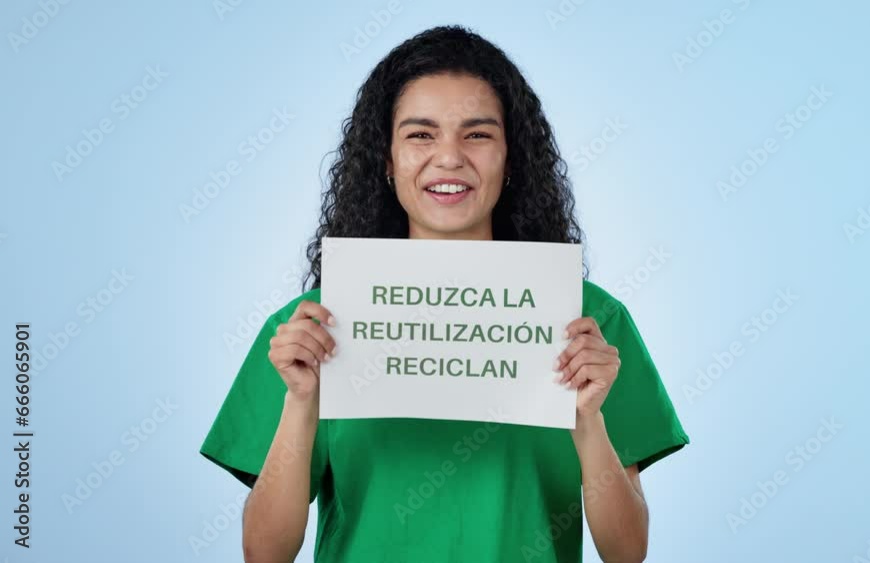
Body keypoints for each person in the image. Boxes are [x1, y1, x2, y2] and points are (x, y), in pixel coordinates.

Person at [200, 25, 689, 563]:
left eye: (477, 135)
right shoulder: (313, 327)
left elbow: (628, 552)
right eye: (420, 135)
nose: (450, 158)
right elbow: (263, 553)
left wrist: (589, 422)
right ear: (386, 160)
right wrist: (301, 403)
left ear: (511, 157)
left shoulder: (589, 322)